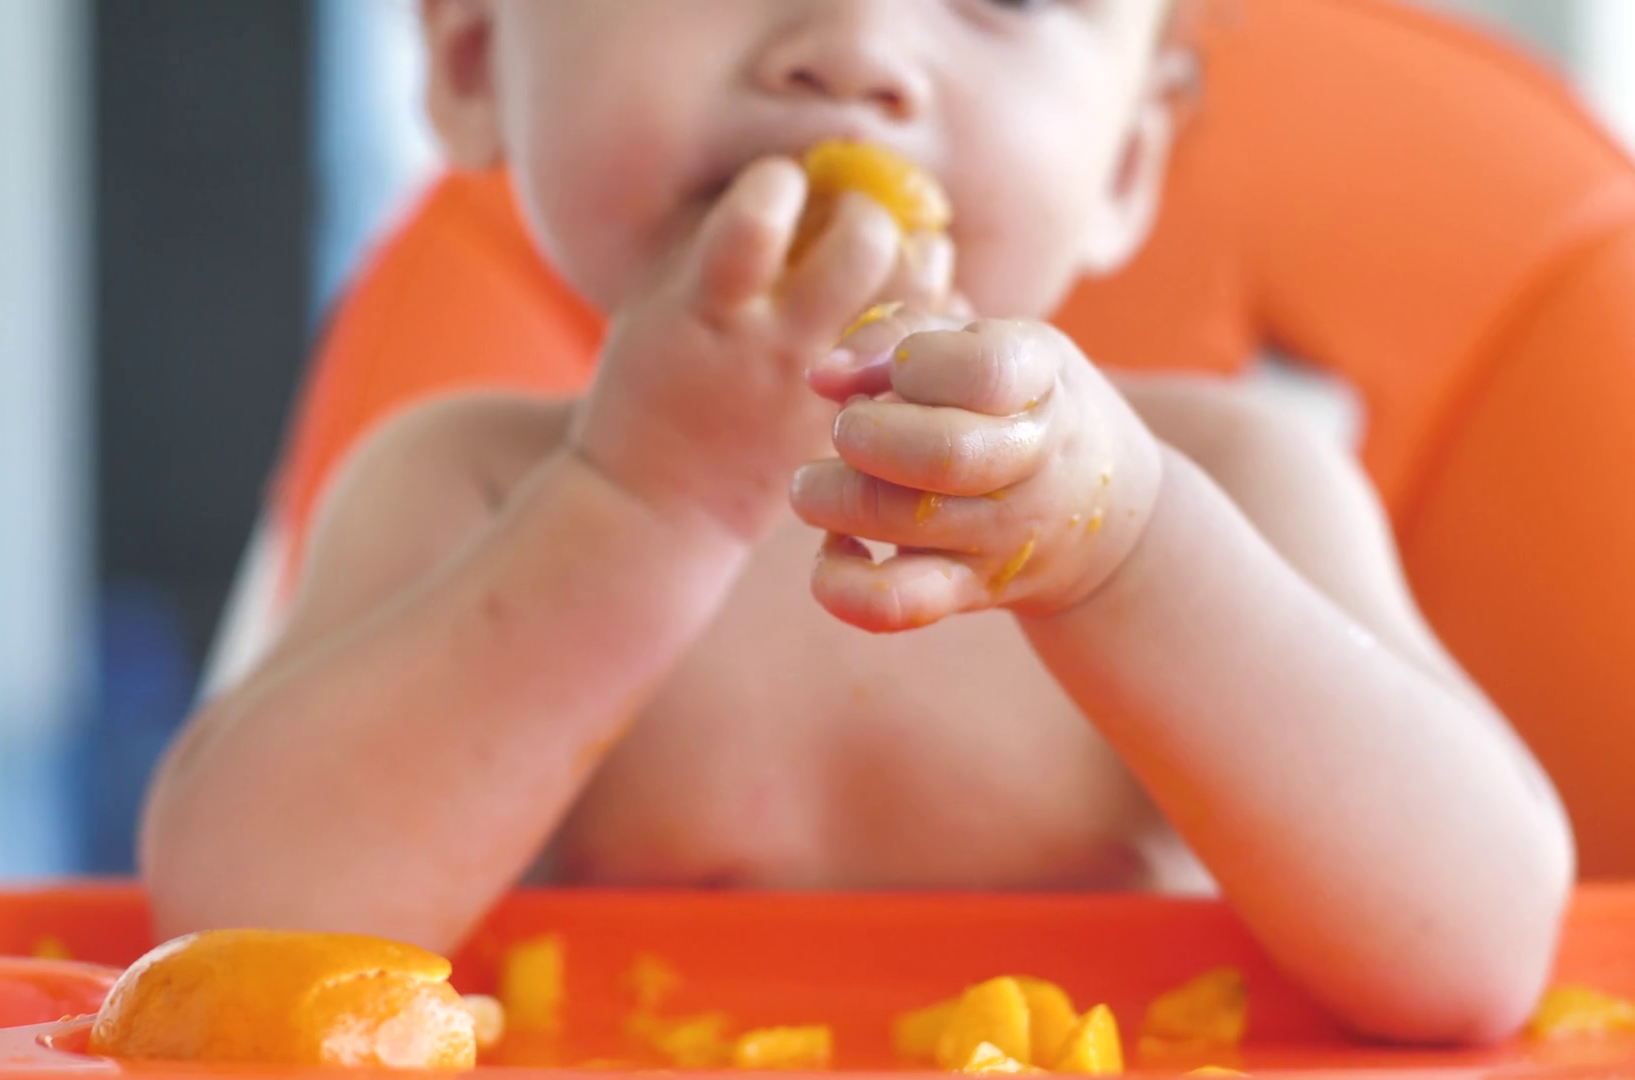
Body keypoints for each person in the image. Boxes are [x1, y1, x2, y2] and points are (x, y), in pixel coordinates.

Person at [140, 0, 1573, 1044]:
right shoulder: (464, 490)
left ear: (1128, 166)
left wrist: (1129, 552)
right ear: (469, 59)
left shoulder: (1230, 486)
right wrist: (640, 506)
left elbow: (1482, 950)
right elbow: (236, 932)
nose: (858, 47)